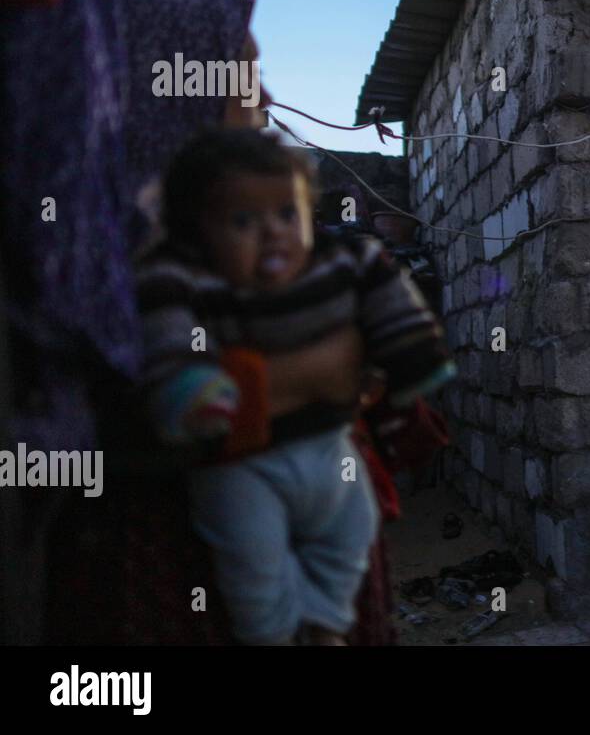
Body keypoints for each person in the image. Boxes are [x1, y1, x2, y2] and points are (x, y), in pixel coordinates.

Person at [136, 129, 455, 644]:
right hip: (241, 465)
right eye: (243, 221)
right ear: (198, 233)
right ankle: (274, 635)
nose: (272, 234)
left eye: (288, 214)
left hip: (329, 448)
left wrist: (413, 356)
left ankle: (326, 624)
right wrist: (191, 388)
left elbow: (385, 295)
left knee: (352, 531)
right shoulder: (191, 281)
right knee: (251, 559)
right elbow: (169, 334)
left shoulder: (340, 262)